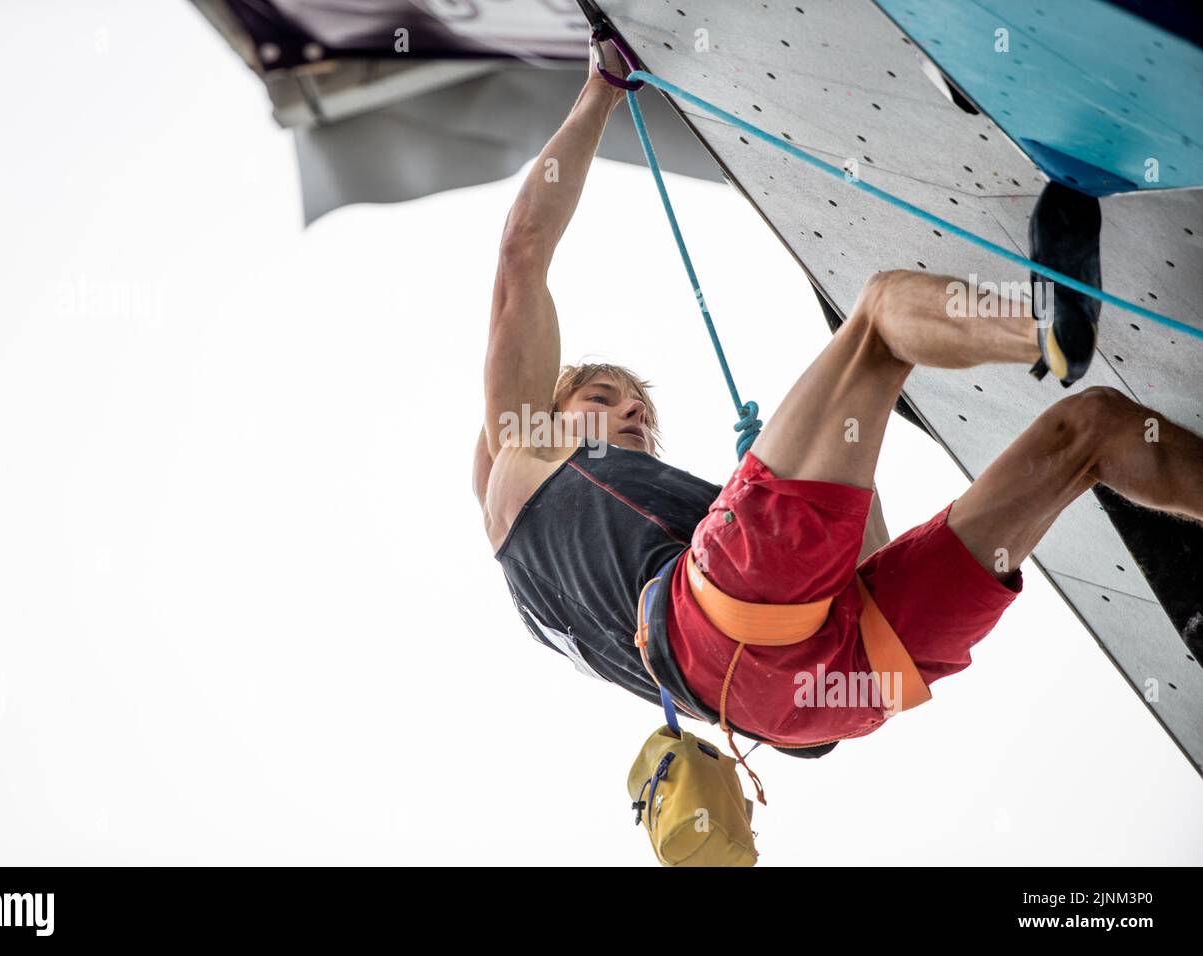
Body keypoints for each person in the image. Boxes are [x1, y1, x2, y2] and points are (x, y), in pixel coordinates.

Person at [473, 48, 1203, 757]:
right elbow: (522, 254)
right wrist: (601, 85)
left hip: (837, 695)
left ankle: (1054, 341)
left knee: (1095, 430)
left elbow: (867, 566)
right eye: (605, 398)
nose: (633, 411)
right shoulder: (519, 456)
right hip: (737, 631)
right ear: (549, 410)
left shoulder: (622, 566)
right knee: (881, 315)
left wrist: (839, 449)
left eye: (639, 406)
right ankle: (1044, 322)